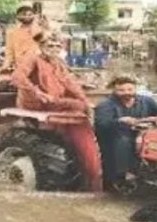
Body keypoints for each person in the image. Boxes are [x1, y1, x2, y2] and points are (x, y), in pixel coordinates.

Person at [11, 33, 103, 192]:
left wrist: (85, 101)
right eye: (50, 46)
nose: (53, 49)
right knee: (78, 107)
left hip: (55, 101)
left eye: (57, 46)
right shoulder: (33, 59)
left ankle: (92, 155)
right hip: (38, 102)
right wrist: (37, 92)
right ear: (41, 47)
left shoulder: (58, 62)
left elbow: (70, 83)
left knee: (84, 105)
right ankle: (90, 164)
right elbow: (17, 77)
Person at [94, 76, 157, 191]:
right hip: (114, 136)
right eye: (121, 90)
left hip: (141, 134)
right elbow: (102, 124)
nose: (126, 93)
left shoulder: (146, 101)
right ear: (114, 90)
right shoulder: (106, 105)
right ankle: (121, 177)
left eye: (130, 90)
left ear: (135, 89)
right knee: (123, 142)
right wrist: (119, 121)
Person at [1, 6, 42, 71]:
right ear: (18, 16)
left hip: (38, 65)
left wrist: (34, 23)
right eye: (24, 14)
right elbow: (9, 51)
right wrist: (5, 66)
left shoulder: (40, 30)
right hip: (20, 66)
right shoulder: (11, 32)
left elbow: (41, 45)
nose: (27, 17)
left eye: (30, 14)